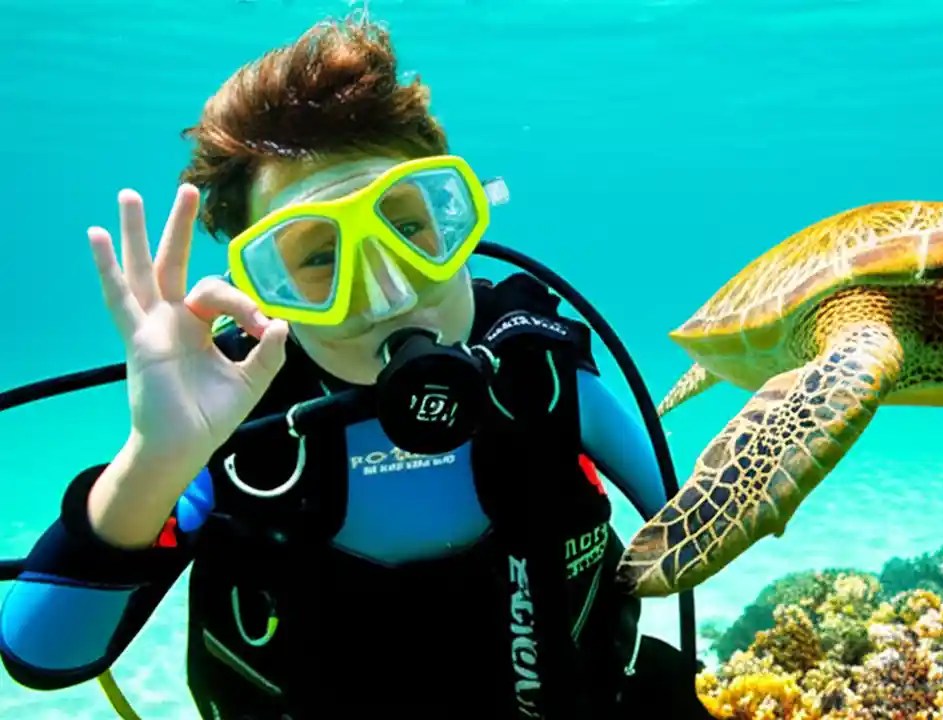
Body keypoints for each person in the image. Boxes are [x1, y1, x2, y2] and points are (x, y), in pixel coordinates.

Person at [0, 14, 711, 720]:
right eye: (317, 259)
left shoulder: (540, 375)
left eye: (408, 229)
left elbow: (708, 530)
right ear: (264, 292)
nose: (391, 294)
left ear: (457, 222)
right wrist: (156, 458)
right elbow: (42, 655)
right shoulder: (239, 425)